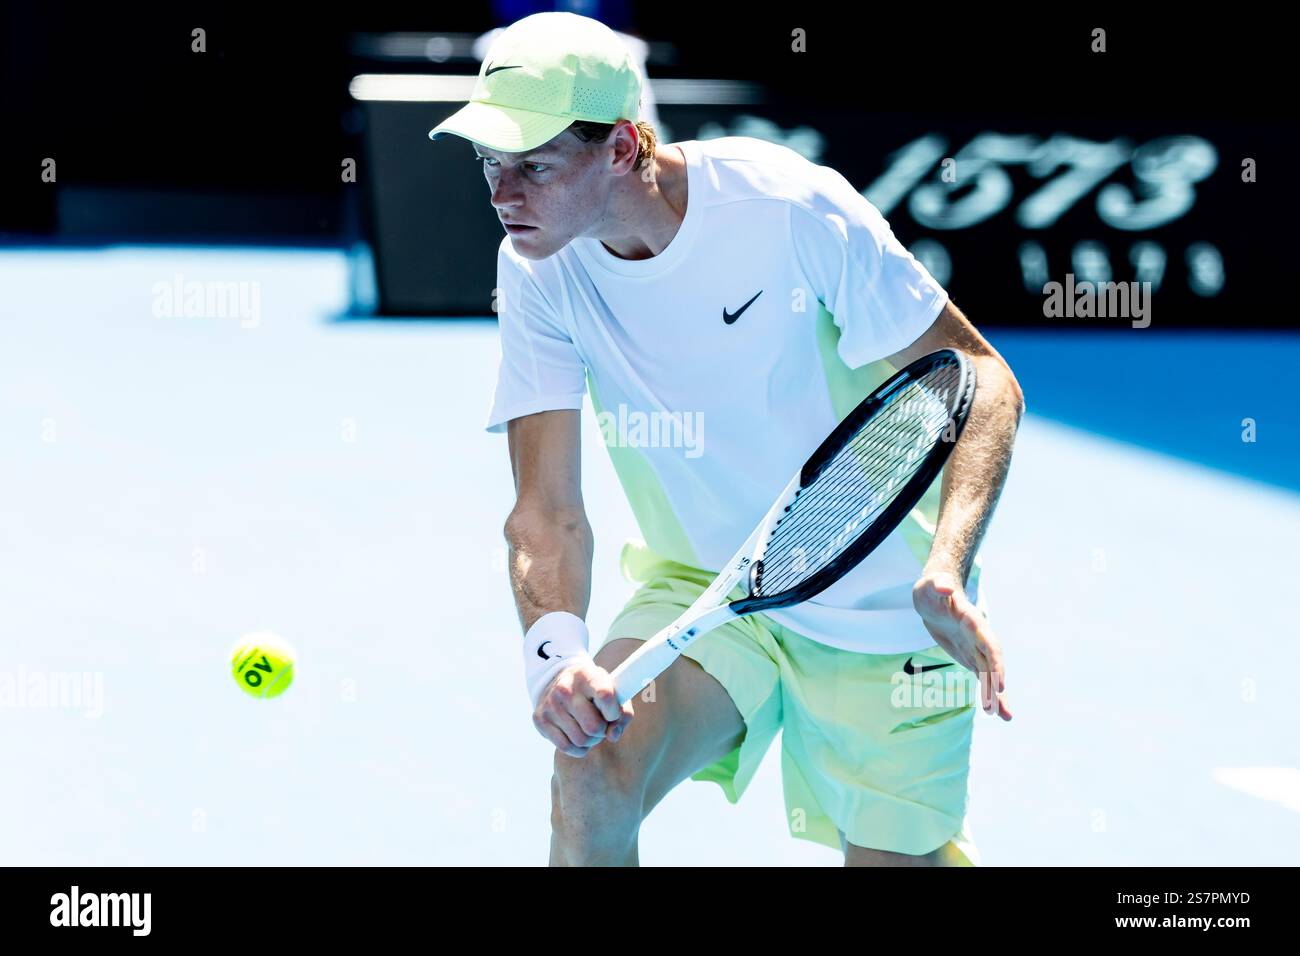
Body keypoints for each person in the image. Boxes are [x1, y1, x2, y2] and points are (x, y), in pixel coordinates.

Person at [429, 11, 1022, 867]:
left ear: (624, 147)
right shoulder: (535, 265)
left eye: (535, 166)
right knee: (590, 769)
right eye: (491, 164)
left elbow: (983, 376)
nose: (502, 195)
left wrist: (948, 564)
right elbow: (545, 509)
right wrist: (553, 657)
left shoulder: (787, 208)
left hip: (886, 610)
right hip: (705, 586)